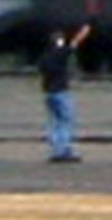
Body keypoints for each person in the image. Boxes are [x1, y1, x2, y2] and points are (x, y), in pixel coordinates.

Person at [39, 21, 91, 164]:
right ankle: (64, 151)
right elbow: (75, 43)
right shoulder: (60, 53)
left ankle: (56, 150)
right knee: (66, 121)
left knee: (55, 122)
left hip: (48, 92)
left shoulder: (45, 56)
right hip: (61, 91)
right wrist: (85, 30)